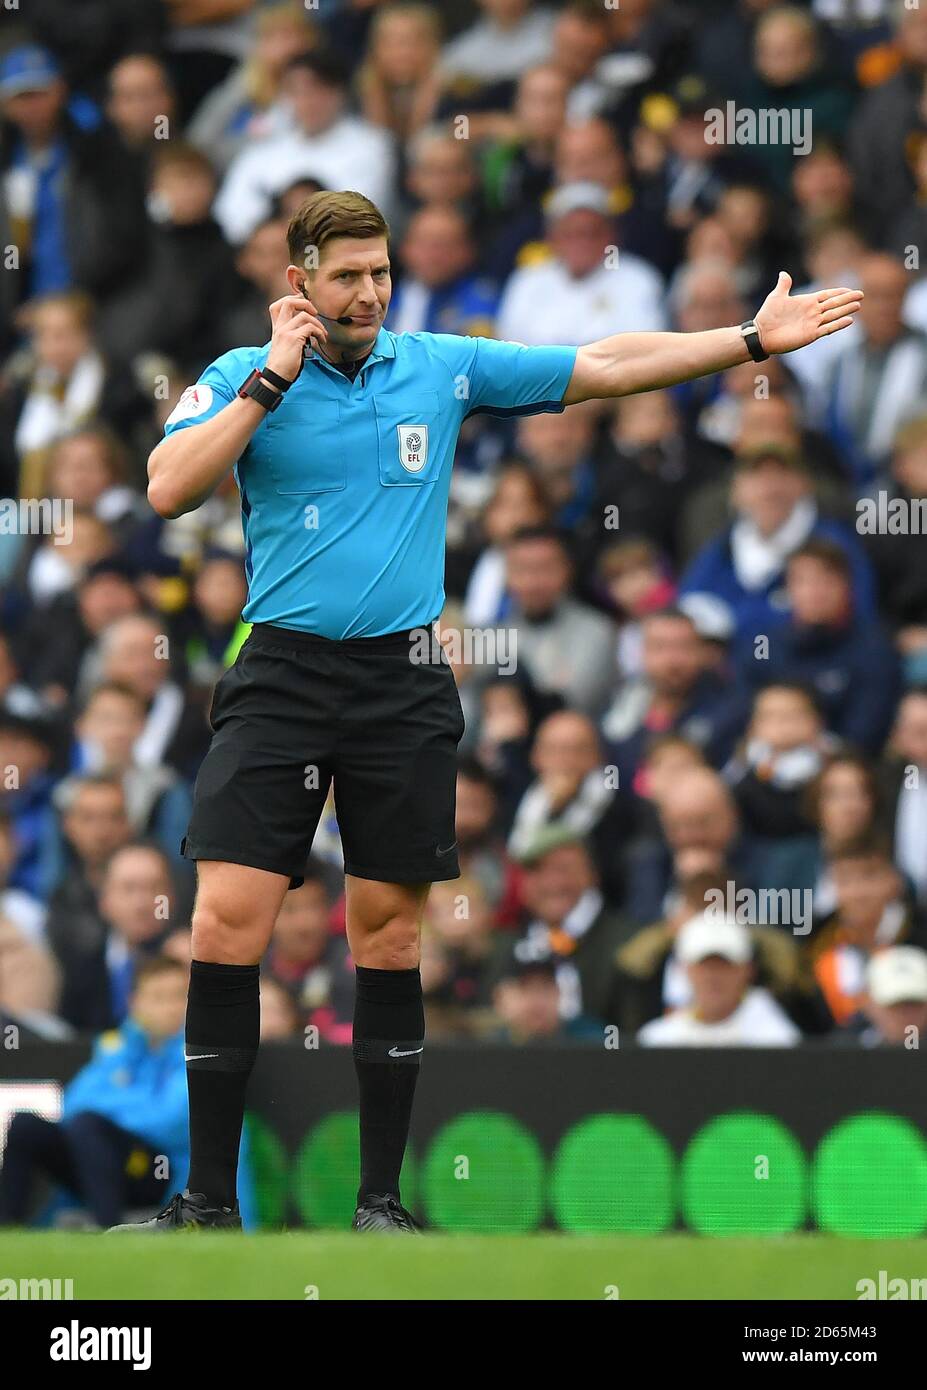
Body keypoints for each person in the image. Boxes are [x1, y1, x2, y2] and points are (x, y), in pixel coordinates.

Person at [127, 184, 860, 1234]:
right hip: (281, 675)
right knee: (224, 921)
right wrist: (271, 383)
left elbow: (601, 365)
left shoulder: (440, 362)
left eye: (381, 271)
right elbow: (165, 489)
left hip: (401, 678)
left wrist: (746, 339)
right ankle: (202, 1201)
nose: (372, 291)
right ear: (298, 284)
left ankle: (381, 1202)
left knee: (385, 934)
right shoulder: (242, 378)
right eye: (348, 276)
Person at [0, 956, 188, 1229]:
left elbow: (170, 1120)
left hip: (158, 1174)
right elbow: (73, 1104)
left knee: (90, 1126)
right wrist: (115, 1120)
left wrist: (109, 1119)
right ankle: (6, 1232)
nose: (171, 1008)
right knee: (25, 1125)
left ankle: (106, 1227)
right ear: (135, 1004)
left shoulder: (197, 1054)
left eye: (179, 997)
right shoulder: (117, 1047)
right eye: (158, 997)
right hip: (104, 1162)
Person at [636, 911, 802, 1047]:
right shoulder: (657, 1039)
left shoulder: (777, 1039)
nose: (712, 976)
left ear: (748, 970)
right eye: (703, 965)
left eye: (724, 965)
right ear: (685, 970)